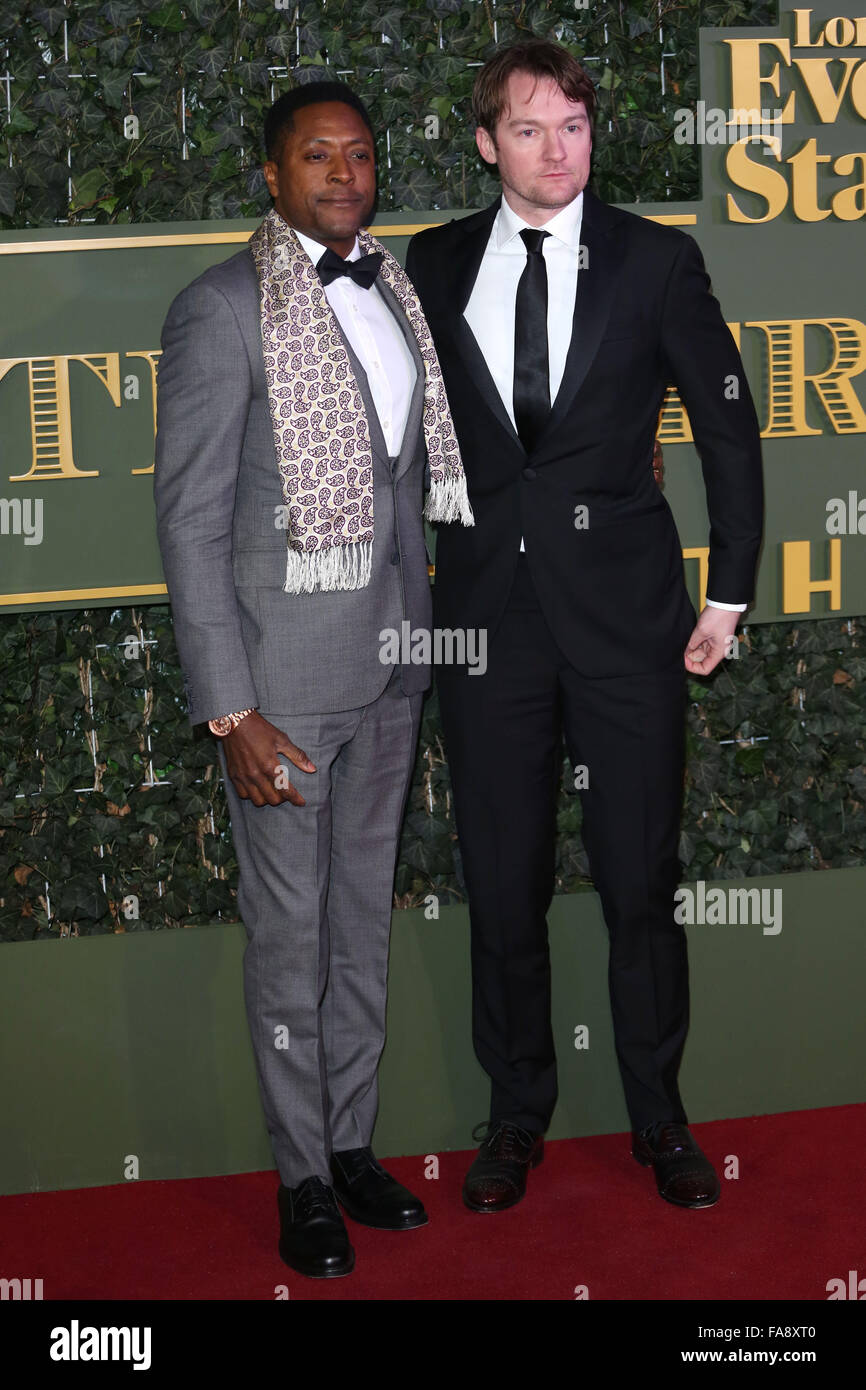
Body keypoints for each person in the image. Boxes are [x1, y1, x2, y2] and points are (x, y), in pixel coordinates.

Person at [406, 39, 763, 1214]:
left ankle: (659, 1119)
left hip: (626, 625)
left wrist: (726, 592)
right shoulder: (434, 261)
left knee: (636, 883)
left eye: (573, 126)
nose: (555, 150)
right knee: (501, 886)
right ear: (483, 142)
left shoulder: (655, 261)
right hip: (486, 628)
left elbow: (725, 426)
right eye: (527, 128)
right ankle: (514, 1116)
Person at [154, 80, 471, 1276]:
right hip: (278, 695)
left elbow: (406, 484)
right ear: (272, 176)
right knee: (289, 942)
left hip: (392, 667)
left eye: (358, 155)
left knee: (360, 931)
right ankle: (299, 1181)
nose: (343, 174)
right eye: (316, 157)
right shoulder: (220, 311)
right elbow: (187, 524)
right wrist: (227, 707)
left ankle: (348, 1145)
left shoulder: (390, 287)